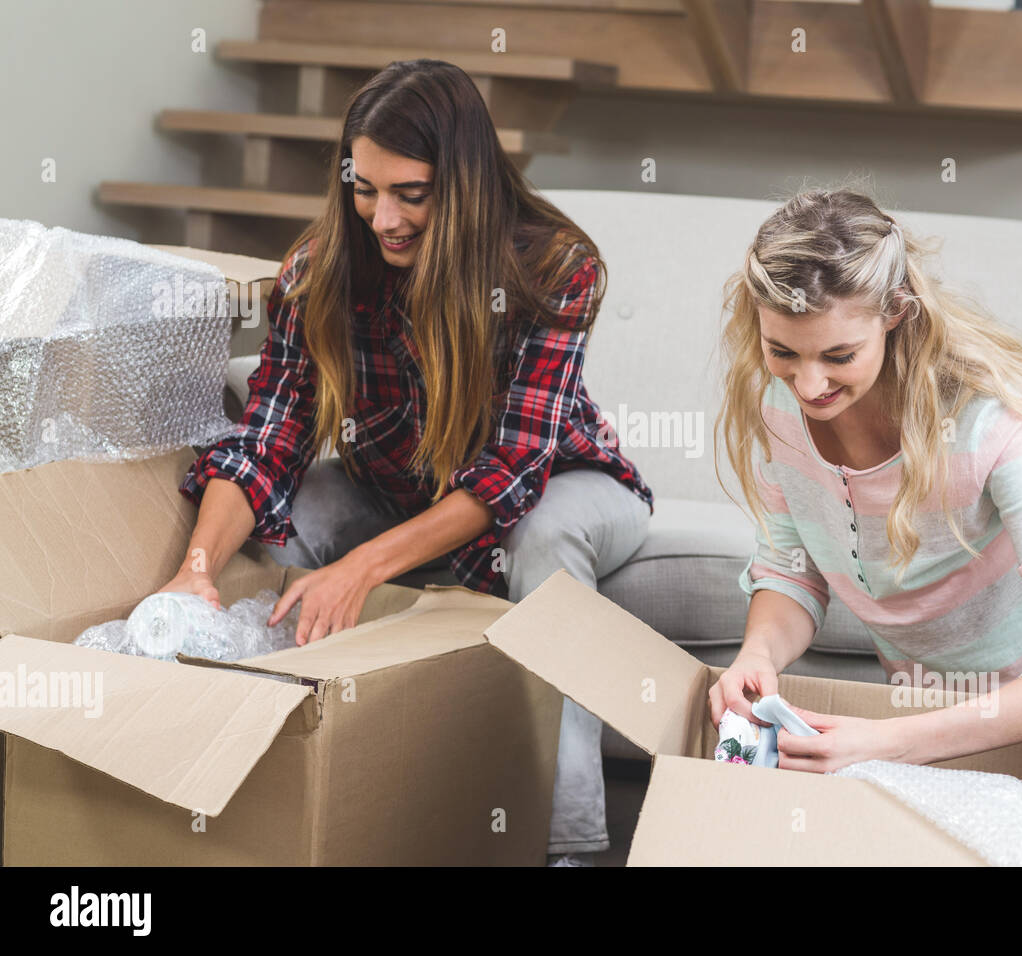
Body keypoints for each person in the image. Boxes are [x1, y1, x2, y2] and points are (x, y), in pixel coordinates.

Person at [160, 59, 653, 867]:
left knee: (544, 538)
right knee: (287, 522)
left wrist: (360, 569)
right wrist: (196, 567)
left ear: (460, 182)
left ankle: (565, 845)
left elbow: (510, 475)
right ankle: (288, 799)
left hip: (563, 487)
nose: (382, 217)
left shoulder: (556, 267)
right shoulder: (319, 271)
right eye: (364, 188)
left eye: (410, 194)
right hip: (396, 489)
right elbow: (268, 439)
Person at [708, 187, 1022, 864]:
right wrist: (758, 655)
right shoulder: (779, 408)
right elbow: (792, 569)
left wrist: (880, 741)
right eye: (783, 352)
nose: (808, 386)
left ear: (896, 314)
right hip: (946, 711)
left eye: (838, 356)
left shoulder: (991, 425)